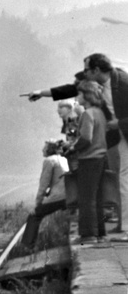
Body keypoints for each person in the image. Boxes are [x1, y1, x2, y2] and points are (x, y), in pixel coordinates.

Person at [26, 55, 125, 234]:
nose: (84, 74)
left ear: (96, 71)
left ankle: (106, 230)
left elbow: (85, 137)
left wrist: (119, 124)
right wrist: (41, 93)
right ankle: (116, 227)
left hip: (117, 137)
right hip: (113, 141)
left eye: (87, 70)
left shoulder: (121, 83)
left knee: (110, 187)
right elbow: (69, 89)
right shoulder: (96, 95)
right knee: (115, 184)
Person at [72, 80, 109, 242]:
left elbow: (86, 138)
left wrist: (73, 147)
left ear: (87, 96)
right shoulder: (99, 112)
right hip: (101, 158)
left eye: (79, 93)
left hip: (89, 159)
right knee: (97, 197)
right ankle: (100, 232)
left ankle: (88, 235)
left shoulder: (87, 114)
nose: (77, 97)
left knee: (86, 198)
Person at [22, 139, 71, 248]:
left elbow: (43, 185)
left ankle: (28, 246)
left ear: (49, 149)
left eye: (44, 147)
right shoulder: (63, 159)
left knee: (34, 215)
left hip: (59, 197)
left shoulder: (49, 161)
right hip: (68, 195)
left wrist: (37, 204)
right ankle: (29, 244)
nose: (42, 150)